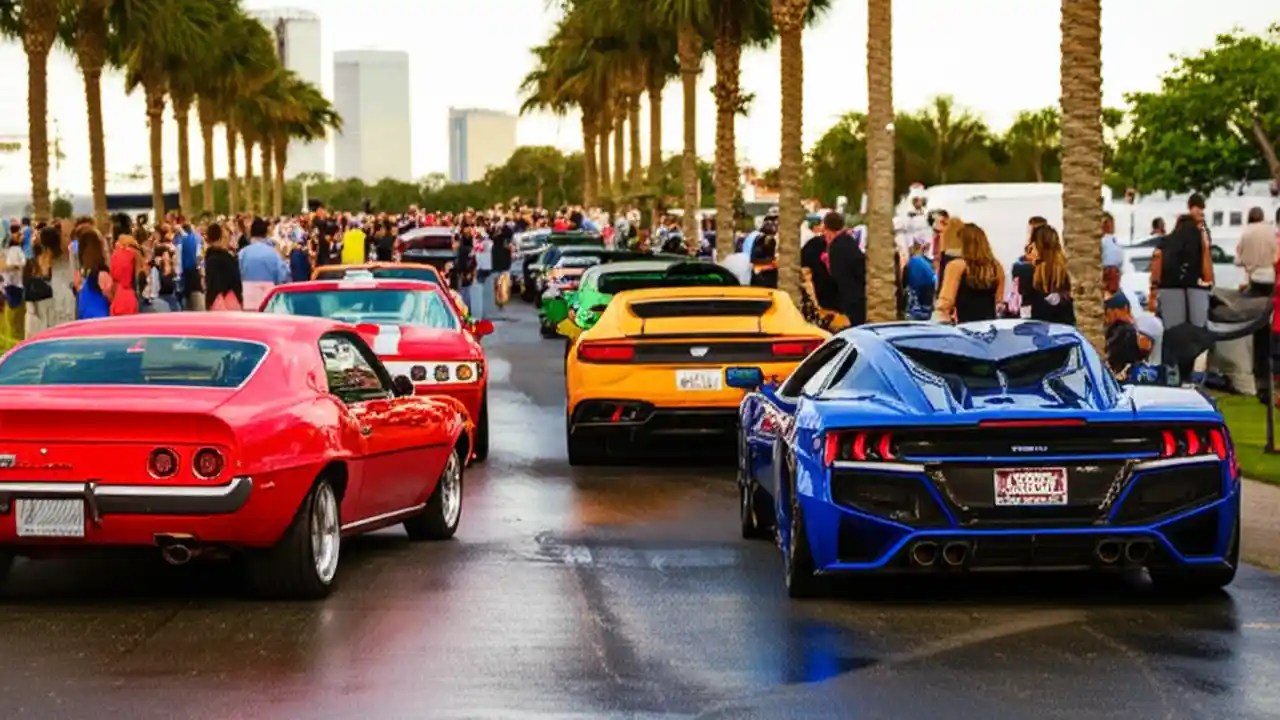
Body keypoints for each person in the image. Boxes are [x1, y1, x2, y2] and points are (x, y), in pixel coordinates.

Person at [1149, 194, 1213, 328]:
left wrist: (1153, 290)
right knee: (1197, 330)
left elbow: (1157, 257)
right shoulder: (1199, 239)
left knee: (1174, 331)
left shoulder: (1167, 241)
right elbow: (1207, 277)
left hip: (1169, 287)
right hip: (1195, 287)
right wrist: (1205, 246)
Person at [933, 223, 1004, 324]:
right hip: (989, 328)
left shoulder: (956, 266)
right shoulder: (996, 267)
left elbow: (946, 302)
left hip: (964, 328)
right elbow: (999, 302)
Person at [1014, 224, 1075, 324]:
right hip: (1064, 328)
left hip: (1037, 328)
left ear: (1036, 245)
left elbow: (1025, 305)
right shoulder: (1066, 269)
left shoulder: (1028, 271)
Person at [824, 211, 867, 326]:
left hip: (847, 298)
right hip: (859, 296)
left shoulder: (835, 246)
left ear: (826, 228)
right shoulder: (849, 242)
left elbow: (836, 274)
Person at [238, 217, 288, 310]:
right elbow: (283, 276)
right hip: (270, 299)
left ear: (251, 234)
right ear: (266, 233)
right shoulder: (274, 253)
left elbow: (237, 276)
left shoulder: (242, 254)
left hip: (248, 300)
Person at [1236, 206, 1275, 296]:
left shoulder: (1246, 233)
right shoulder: (1271, 231)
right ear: (1262, 217)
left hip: (1255, 279)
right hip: (1270, 278)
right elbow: (1275, 256)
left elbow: (1239, 260)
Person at [74, 227, 112, 320]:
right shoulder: (102, 273)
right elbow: (110, 296)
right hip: (101, 320)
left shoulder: (80, 273)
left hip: (84, 320)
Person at [108, 215, 142, 316]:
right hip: (133, 297)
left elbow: (116, 275)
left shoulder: (121, 252)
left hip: (122, 300)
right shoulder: (135, 248)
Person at [205, 223, 243, 310]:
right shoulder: (226, 258)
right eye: (226, 237)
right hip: (229, 300)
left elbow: (210, 286)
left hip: (215, 301)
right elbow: (236, 281)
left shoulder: (209, 257)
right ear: (221, 238)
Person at [900, 235, 936, 321]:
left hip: (914, 301)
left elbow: (904, 283)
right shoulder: (928, 263)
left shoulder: (911, 263)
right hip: (928, 300)